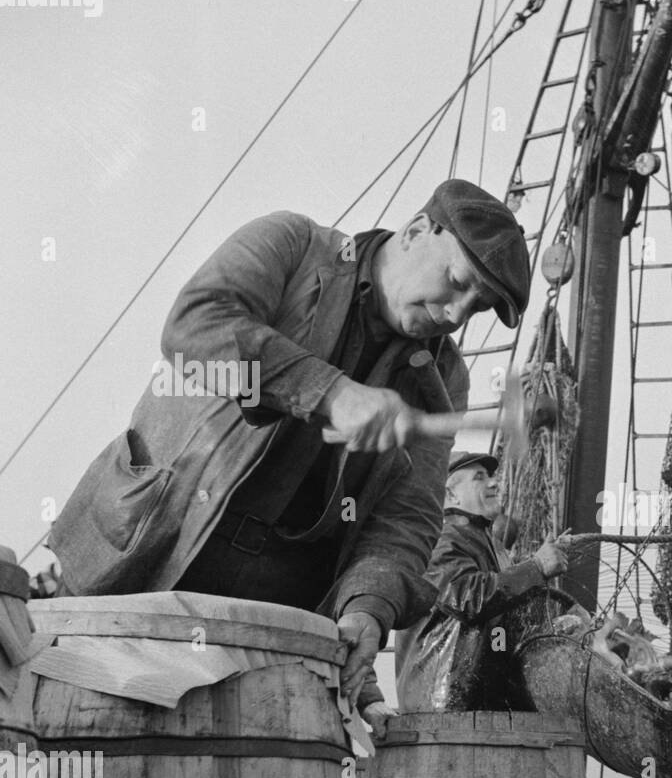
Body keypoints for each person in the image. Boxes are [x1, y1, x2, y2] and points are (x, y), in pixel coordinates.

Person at [47, 179, 529, 706]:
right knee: (61, 725)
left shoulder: (442, 376)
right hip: (141, 560)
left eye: (477, 307)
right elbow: (194, 328)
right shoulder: (292, 245)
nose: (458, 313)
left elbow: (407, 517)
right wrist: (331, 392)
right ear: (417, 231)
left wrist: (368, 606)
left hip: (273, 618)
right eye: (457, 281)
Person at [359, 451, 570, 729]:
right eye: (479, 477)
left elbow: (504, 612)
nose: (495, 483)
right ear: (450, 494)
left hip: (479, 712)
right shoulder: (439, 537)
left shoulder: (492, 546)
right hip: (442, 709)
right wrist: (536, 568)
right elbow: (467, 598)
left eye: (492, 476)